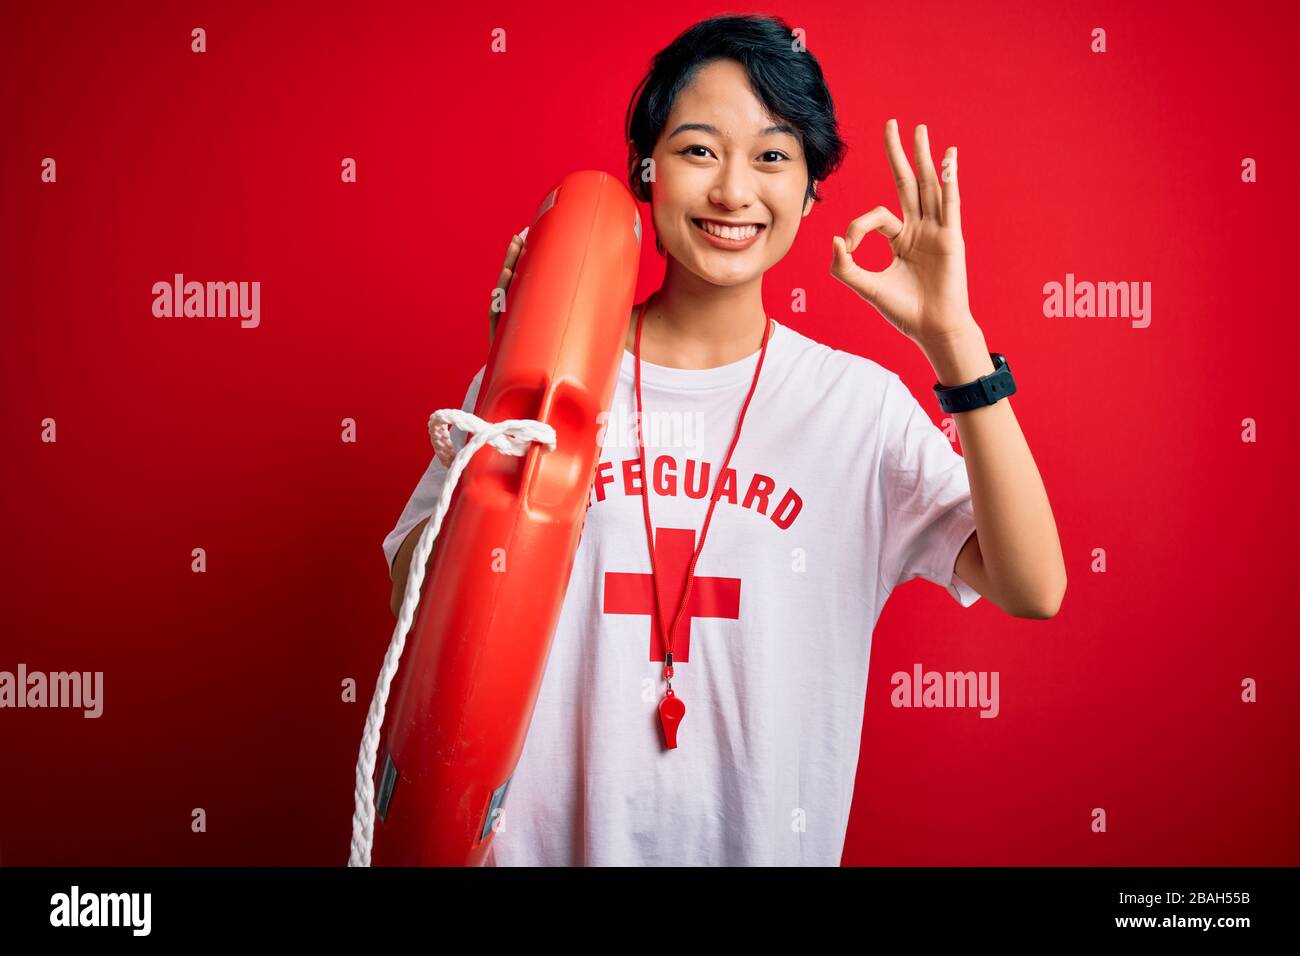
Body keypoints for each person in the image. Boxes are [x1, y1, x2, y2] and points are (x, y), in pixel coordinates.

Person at [382, 14, 1066, 866]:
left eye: (774, 157)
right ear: (647, 168)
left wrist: (954, 340)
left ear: (813, 189)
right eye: (698, 150)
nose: (734, 191)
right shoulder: (547, 379)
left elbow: (1034, 584)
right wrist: (519, 367)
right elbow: (416, 605)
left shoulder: (855, 407)